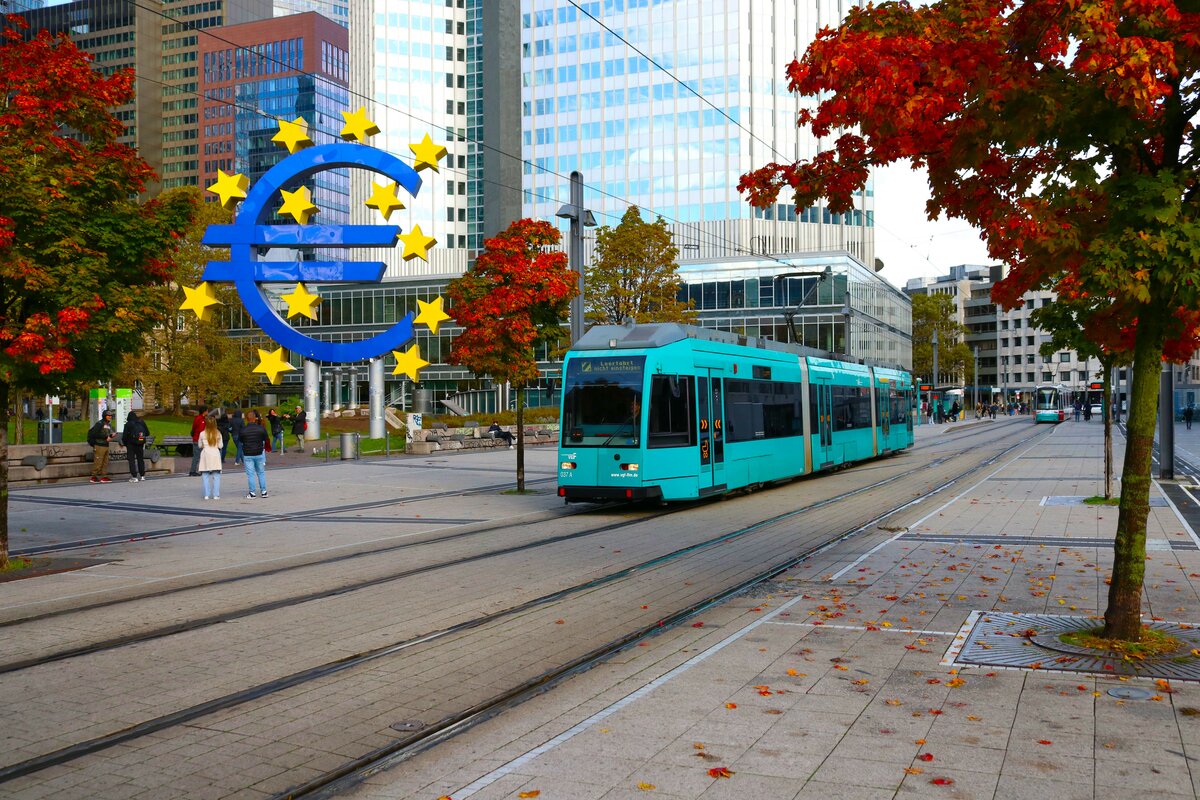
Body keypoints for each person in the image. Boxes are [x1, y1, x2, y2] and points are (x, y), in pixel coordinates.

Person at [239, 409, 271, 498]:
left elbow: (241, 440)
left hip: (248, 453)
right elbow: (266, 438)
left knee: (250, 474)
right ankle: (264, 491)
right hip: (259, 452)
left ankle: (252, 492)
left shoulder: (243, 430)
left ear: (246, 419)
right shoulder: (261, 428)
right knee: (261, 472)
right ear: (255, 418)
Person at [197, 413, 223, 500]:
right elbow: (221, 446)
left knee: (205, 475)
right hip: (215, 453)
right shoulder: (218, 433)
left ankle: (206, 494)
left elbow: (200, 445)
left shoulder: (202, 434)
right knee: (216, 475)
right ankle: (216, 494)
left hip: (205, 454)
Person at [87, 411, 116, 483]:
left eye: (111, 416)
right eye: (108, 416)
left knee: (105, 462)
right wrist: (106, 437)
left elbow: (108, 434)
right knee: (98, 461)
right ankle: (94, 476)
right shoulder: (99, 423)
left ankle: (104, 476)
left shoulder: (108, 424)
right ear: (104, 416)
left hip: (106, 445)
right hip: (99, 445)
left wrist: (112, 435)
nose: (110, 417)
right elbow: (94, 434)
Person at [121, 410, 150, 482]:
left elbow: (124, 436)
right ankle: (142, 475)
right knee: (140, 459)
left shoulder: (128, 424)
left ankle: (134, 476)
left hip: (131, 444)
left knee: (132, 460)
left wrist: (125, 443)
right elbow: (147, 433)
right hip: (140, 444)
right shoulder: (141, 422)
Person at [188, 405, 208, 476]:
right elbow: (201, 431)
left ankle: (197, 470)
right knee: (197, 456)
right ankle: (193, 471)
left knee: (198, 456)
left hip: (196, 439)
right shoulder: (201, 420)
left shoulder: (197, 418)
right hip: (198, 440)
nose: (208, 412)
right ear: (204, 411)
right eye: (207, 410)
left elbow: (193, 428)